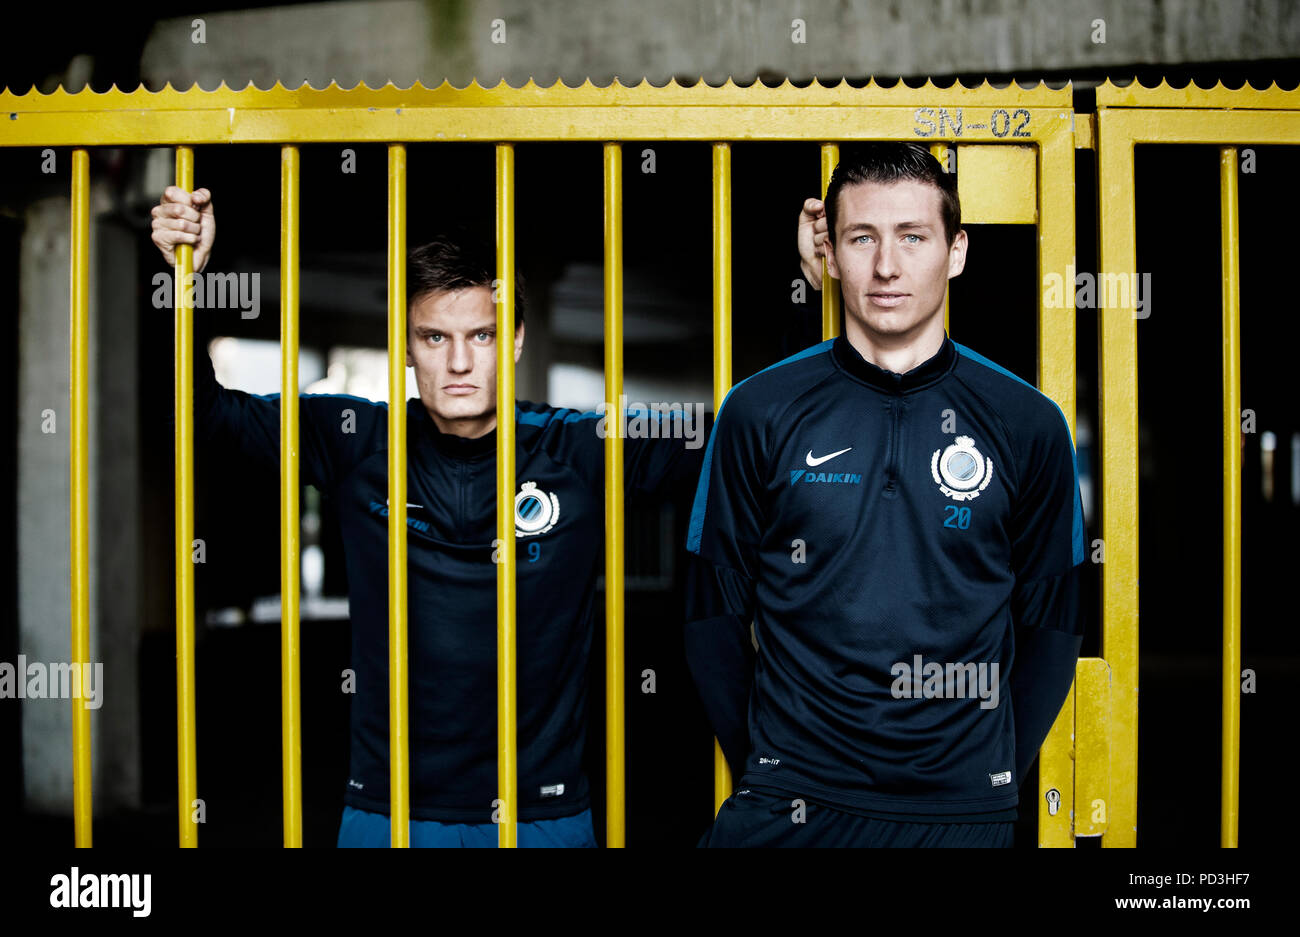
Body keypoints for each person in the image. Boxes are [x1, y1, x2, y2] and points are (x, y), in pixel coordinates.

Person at [150, 185, 824, 847]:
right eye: (435, 337)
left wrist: (813, 297)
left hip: (544, 816)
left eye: (482, 334)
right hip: (389, 813)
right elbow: (204, 415)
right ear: (407, 346)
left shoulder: (578, 447)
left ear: (519, 338)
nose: (462, 361)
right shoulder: (354, 437)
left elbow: (749, 438)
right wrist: (187, 284)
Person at [685, 142, 1086, 847]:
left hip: (959, 814)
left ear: (956, 251)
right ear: (831, 254)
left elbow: (1053, 622)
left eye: (913, 236)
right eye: (862, 237)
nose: (887, 265)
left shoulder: (1028, 422)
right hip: (789, 805)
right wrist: (767, 765)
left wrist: (987, 776)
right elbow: (711, 611)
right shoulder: (758, 410)